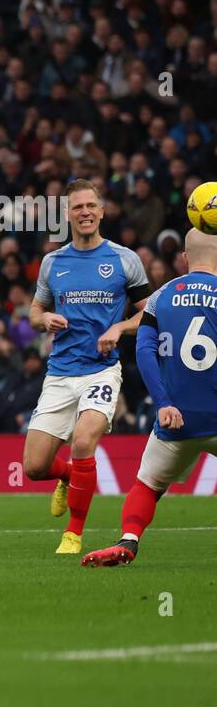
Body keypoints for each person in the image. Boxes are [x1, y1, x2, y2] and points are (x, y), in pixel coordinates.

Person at [22, 179, 151, 556]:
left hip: (101, 370)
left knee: (82, 441)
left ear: (102, 211)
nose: (85, 213)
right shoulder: (53, 262)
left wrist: (119, 327)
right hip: (61, 372)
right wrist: (45, 319)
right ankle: (65, 476)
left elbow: (147, 312)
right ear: (68, 214)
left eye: (91, 206)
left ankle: (73, 533)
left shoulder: (125, 259)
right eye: (78, 207)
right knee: (33, 467)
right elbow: (33, 311)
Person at [84, 229, 217, 567]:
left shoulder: (162, 296)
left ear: (185, 258)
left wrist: (162, 403)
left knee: (148, 484)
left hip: (177, 418)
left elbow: (144, 351)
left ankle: (127, 541)